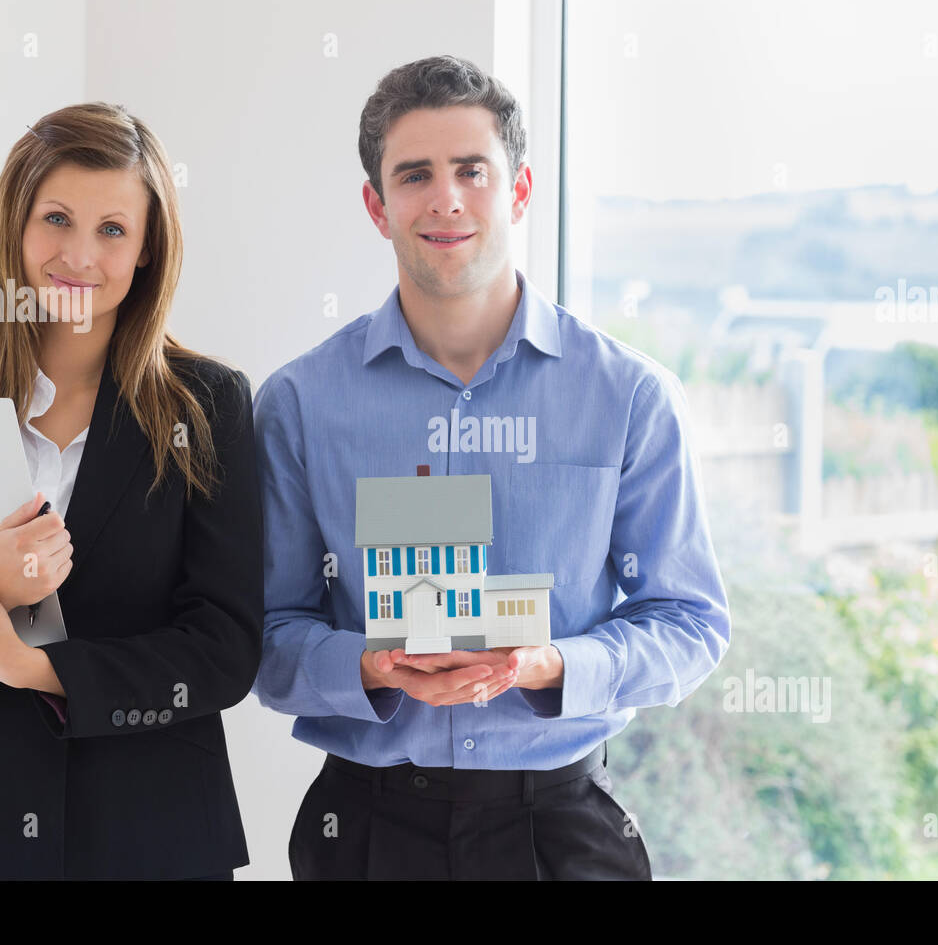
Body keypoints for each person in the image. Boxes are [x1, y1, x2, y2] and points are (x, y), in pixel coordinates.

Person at [253, 56, 731, 880]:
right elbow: (264, 634)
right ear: (377, 206)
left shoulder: (630, 396)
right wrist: (370, 668)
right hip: (365, 827)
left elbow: (691, 624)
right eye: (415, 175)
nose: (445, 199)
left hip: (562, 827)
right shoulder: (298, 403)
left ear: (519, 189)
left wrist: (559, 667)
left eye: (472, 171)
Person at [0, 102, 263, 880]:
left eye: (112, 229)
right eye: (57, 218)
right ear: (16, 226)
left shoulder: (208, 406)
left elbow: (225, 652)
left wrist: (32, 666)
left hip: (156, 841)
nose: (79, 255)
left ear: (145, 251)